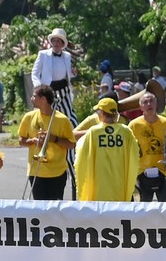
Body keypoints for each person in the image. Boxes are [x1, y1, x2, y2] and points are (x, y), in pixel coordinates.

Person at [31, 28, 79, 197]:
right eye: (54, 41)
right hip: (50, 92)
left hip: (64, 92)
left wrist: (73, 74)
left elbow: (67, 75)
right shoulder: (43, 55)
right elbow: (35, 73)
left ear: (63, 44)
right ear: (51, 42)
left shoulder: (66, 56)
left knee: (71, 121)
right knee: (48, 122)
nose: (56, 44)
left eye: (59, 41)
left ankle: (73, 159)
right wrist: (40, 89)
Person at [74, 97, 139, 202]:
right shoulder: (126, 131)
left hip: (100, 183)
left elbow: (81, 151)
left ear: (102, 113)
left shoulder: (93, 132)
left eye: (98, 111)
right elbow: (135, 153)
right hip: (120, 181)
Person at [19, 85, 77, 200]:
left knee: (54, 209)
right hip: (36, 171)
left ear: (43, 99)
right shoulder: (28, 117)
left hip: (57, 172)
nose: (31, 98)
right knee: (39, 208)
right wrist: (33, 141)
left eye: (34, 96)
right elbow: (21, 140)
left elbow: (71, 144)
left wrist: (54, 139)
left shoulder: (62, 119)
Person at [128, 91, 166, 202]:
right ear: (141, 107)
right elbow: (127, 147)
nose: (149, 104)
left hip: (162, 171)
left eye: (151, 101)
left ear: (156, 104)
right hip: (141, 171)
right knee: (141, 208)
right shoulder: (134, 125)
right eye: (145, 102)